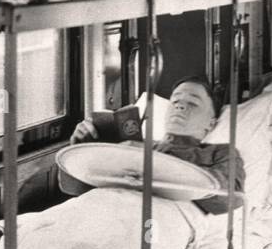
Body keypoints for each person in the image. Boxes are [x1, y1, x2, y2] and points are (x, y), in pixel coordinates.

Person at [70, 74, 244, 216]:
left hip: (160, 218)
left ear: (211, 124)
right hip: (103, 209)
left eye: (193, 102)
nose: (180, 106)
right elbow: (74, 188)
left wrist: (150, 160)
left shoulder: (220, 152)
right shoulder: (138, 144)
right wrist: (79, 148)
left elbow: (230, 199)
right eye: (175, 101)